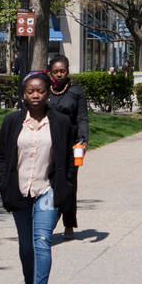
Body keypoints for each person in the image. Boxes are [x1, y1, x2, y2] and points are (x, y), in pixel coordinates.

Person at [0, 71, 76, 284]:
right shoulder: (11, 122)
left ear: (48, 93)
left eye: (40, 90)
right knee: (26, 246)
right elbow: (1, 156)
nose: (36, 95)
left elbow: (69, 159)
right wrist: (2, 184)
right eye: (30, 91)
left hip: (46, 191)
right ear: (24, 95)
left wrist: (65, 186)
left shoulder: (60, 123)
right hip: (19, 192)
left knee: (42, 242)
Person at [46, 55, 88, 241]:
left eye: (62, 70)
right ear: (50, 72)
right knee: (51, 183)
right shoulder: (45, 91)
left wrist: (83, 140)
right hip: (49, 143)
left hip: (71, 144)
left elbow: (82, 118)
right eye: (56, 71)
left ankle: (68, 223)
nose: (59, 74)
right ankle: (48, 218)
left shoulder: (76, 92)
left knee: (69, 183)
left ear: (68, 70)